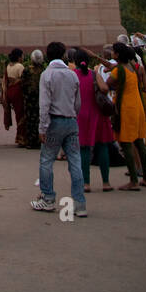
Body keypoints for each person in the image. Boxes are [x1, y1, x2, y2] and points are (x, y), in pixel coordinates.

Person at [29, 42, 85, 215]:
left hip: (54, 122)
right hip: (71, 122)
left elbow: (44, 105)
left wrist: (42, 128)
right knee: (75, 162)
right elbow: (78, 103)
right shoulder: (73, 75)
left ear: (47, 55)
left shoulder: (47, 75)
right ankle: (79, 204)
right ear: (64, 56)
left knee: (46, 161)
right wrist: (71, 116)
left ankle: (48, 199)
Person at [107, 42, 146, 190]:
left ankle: (133, 180)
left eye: (113, 51)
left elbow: (107, 84)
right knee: (139, 143)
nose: (112, 53)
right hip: (138, 106)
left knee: (126, 144)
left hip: (126, 108)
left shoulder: (118, 70)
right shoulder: (134, 67)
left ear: (117, 55)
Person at [75, 49, 113, 192]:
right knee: (102, 147)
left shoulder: (73, 75)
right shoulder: (93, 74)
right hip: (98, 115)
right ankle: (106, 183)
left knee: (84, 148)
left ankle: (86, 183)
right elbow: (104, 88)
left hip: (82, 115)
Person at [21, 49, 45, 149]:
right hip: (41, 99)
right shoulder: (44, 70)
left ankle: (31, 141)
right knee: (39, 120)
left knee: (30, 120)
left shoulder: (27, 70)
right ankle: (40, 141)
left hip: (30, 99)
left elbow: (22, 85)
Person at [1, 48, 26, 145]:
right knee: (22, 116)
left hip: (10, 92)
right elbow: (24, 79)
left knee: (18, 115)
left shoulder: (8, 66)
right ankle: (21, 138)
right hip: (18, 92)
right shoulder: (20, 66)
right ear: (19, 57)